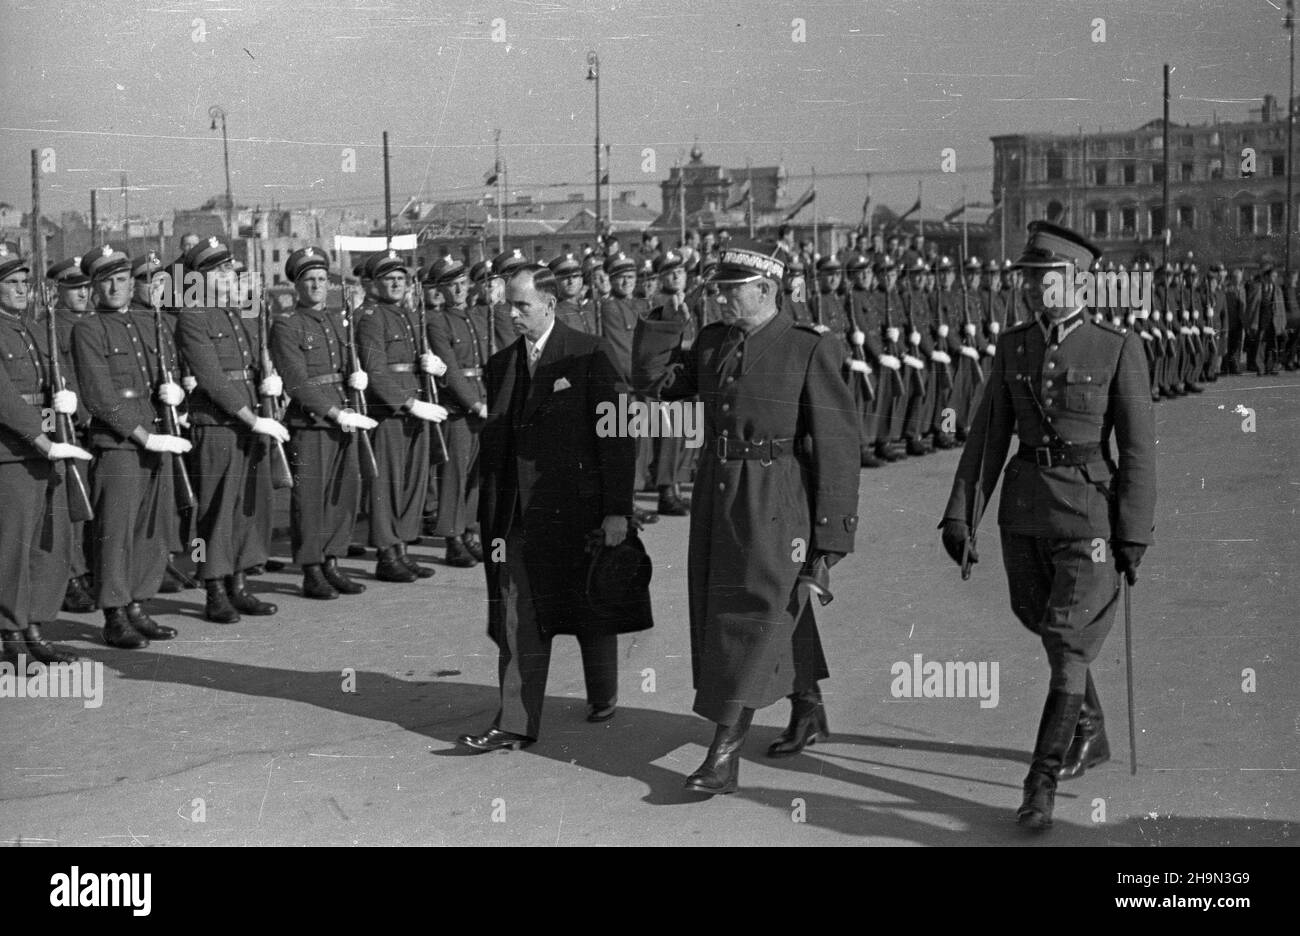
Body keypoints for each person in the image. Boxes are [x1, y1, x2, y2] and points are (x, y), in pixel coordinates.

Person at [940, 221, 1156, 830]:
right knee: (1038, 619)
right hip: (1024, 513)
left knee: (1065, 640)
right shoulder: (1013, 347)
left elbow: (1138, 451)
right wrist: (961, 514)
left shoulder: (1116, 347)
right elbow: (987, 438)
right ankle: (1088, 721)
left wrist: (1133, 531)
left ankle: (1038, 786)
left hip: (1088, 514)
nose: (1034, 289)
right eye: (1029, 280)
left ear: (1078, 281)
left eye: (1046, 279)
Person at [634, 240, 860, 794]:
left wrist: (830, 539)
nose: (719, 300)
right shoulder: (713, 341)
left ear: (766, 290)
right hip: (718, 490)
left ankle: (723, 753)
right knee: (753, 603)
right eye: (717, 290)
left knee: (754, 610)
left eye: (730, 291)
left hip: (776, 496)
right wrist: (667, 312)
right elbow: (656, 384)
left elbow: (837, 444)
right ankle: (808, 707)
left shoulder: (808, 347)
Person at [457, 264, 638, 752]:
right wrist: (484, 515)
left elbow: (620, 434)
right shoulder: (502, 365)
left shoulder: (589, 352)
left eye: (523, 306)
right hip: (519, 516)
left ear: (551, 305)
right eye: (508, 305)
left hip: (578, 512)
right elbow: (495, 446)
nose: (512, 314)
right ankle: (514, 723)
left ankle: (603, 692)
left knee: (589, 608)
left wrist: (618, 510)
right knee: (518, 618)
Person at [72, 245, 190, 648]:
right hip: (120, 442)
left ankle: (138, 604)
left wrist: (174, 396)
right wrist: (143, 435)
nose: (115, 287)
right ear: (93, 287)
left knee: (149, 530)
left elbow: (163, 373)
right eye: (106, 281)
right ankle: (114, 613)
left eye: (122, 279)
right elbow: (100, 397)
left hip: (157, 434)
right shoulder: (88, 329)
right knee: (115, 532)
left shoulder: (147, 322)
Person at [174, 237, 290, 622]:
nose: (227, 275)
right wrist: (252, 418)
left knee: (246, 507)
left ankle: (239, 583)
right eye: (218, 271)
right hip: (220, 424)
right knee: (215, 511)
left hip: (250, 418)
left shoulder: (236, 314)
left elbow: (251, 366)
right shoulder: (193, 317)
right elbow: (212, 378)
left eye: (228, 269)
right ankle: (213, 588)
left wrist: (271, 386)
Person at [0, 245, 92, 665]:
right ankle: (9, 633)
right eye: (11, 283)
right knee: (13, 547)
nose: (21, 290)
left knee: (46, 545)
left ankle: (33, 624)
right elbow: (6, 399)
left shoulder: (36, 329)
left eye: (25, 282)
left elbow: (57, 379)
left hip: (51, 448)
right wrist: (41, 438)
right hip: (14, 453)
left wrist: (69, 404)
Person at [271, 247, 375, 599]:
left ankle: (332, 561)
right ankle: (311, 568)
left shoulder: (336, 321)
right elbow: (297, 381)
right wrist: (335, 412)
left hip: (344, 415)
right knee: (310, 500)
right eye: (309, 280)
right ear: (296, 286)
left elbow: (347, 363)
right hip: (312, 423)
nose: (317, 286)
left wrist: (356, 377)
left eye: (321, 279)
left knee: (343, 495)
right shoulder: (286, 324)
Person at [356, 250, 448, 583]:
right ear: (376, 283)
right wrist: (408, 403)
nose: (396, 284)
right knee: (388, 484)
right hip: (391, 411)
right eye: (389, 279)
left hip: (417, 404)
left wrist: (432, 366)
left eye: (400, 279)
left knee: (413, 481)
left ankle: (403, 549)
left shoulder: (409, 314)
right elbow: (376, 372)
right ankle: (386, 554)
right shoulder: (370, 316)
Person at [426, 256, 489, 567]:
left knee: (478, 473)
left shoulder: (478, 317)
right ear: (441, 290)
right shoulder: (437, 322)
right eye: (451, 285)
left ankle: (469, 531)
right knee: (454, 474)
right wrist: (475, 404)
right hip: (459, 407)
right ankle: (452, 538)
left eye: (462, 282)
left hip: (484, 400)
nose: (458, 289)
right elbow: (449, 370)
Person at [46, 255, 97, 614]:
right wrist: (82, 416)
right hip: (74, 424)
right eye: (74, 287)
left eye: (85, 286)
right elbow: (63, 377)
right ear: (59, 290)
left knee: (96, 503)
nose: (82, 293)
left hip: (101, 422)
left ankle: (91, 570)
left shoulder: (94, 322)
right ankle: (72, 579)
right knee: (72, 507)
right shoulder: (53, 327)